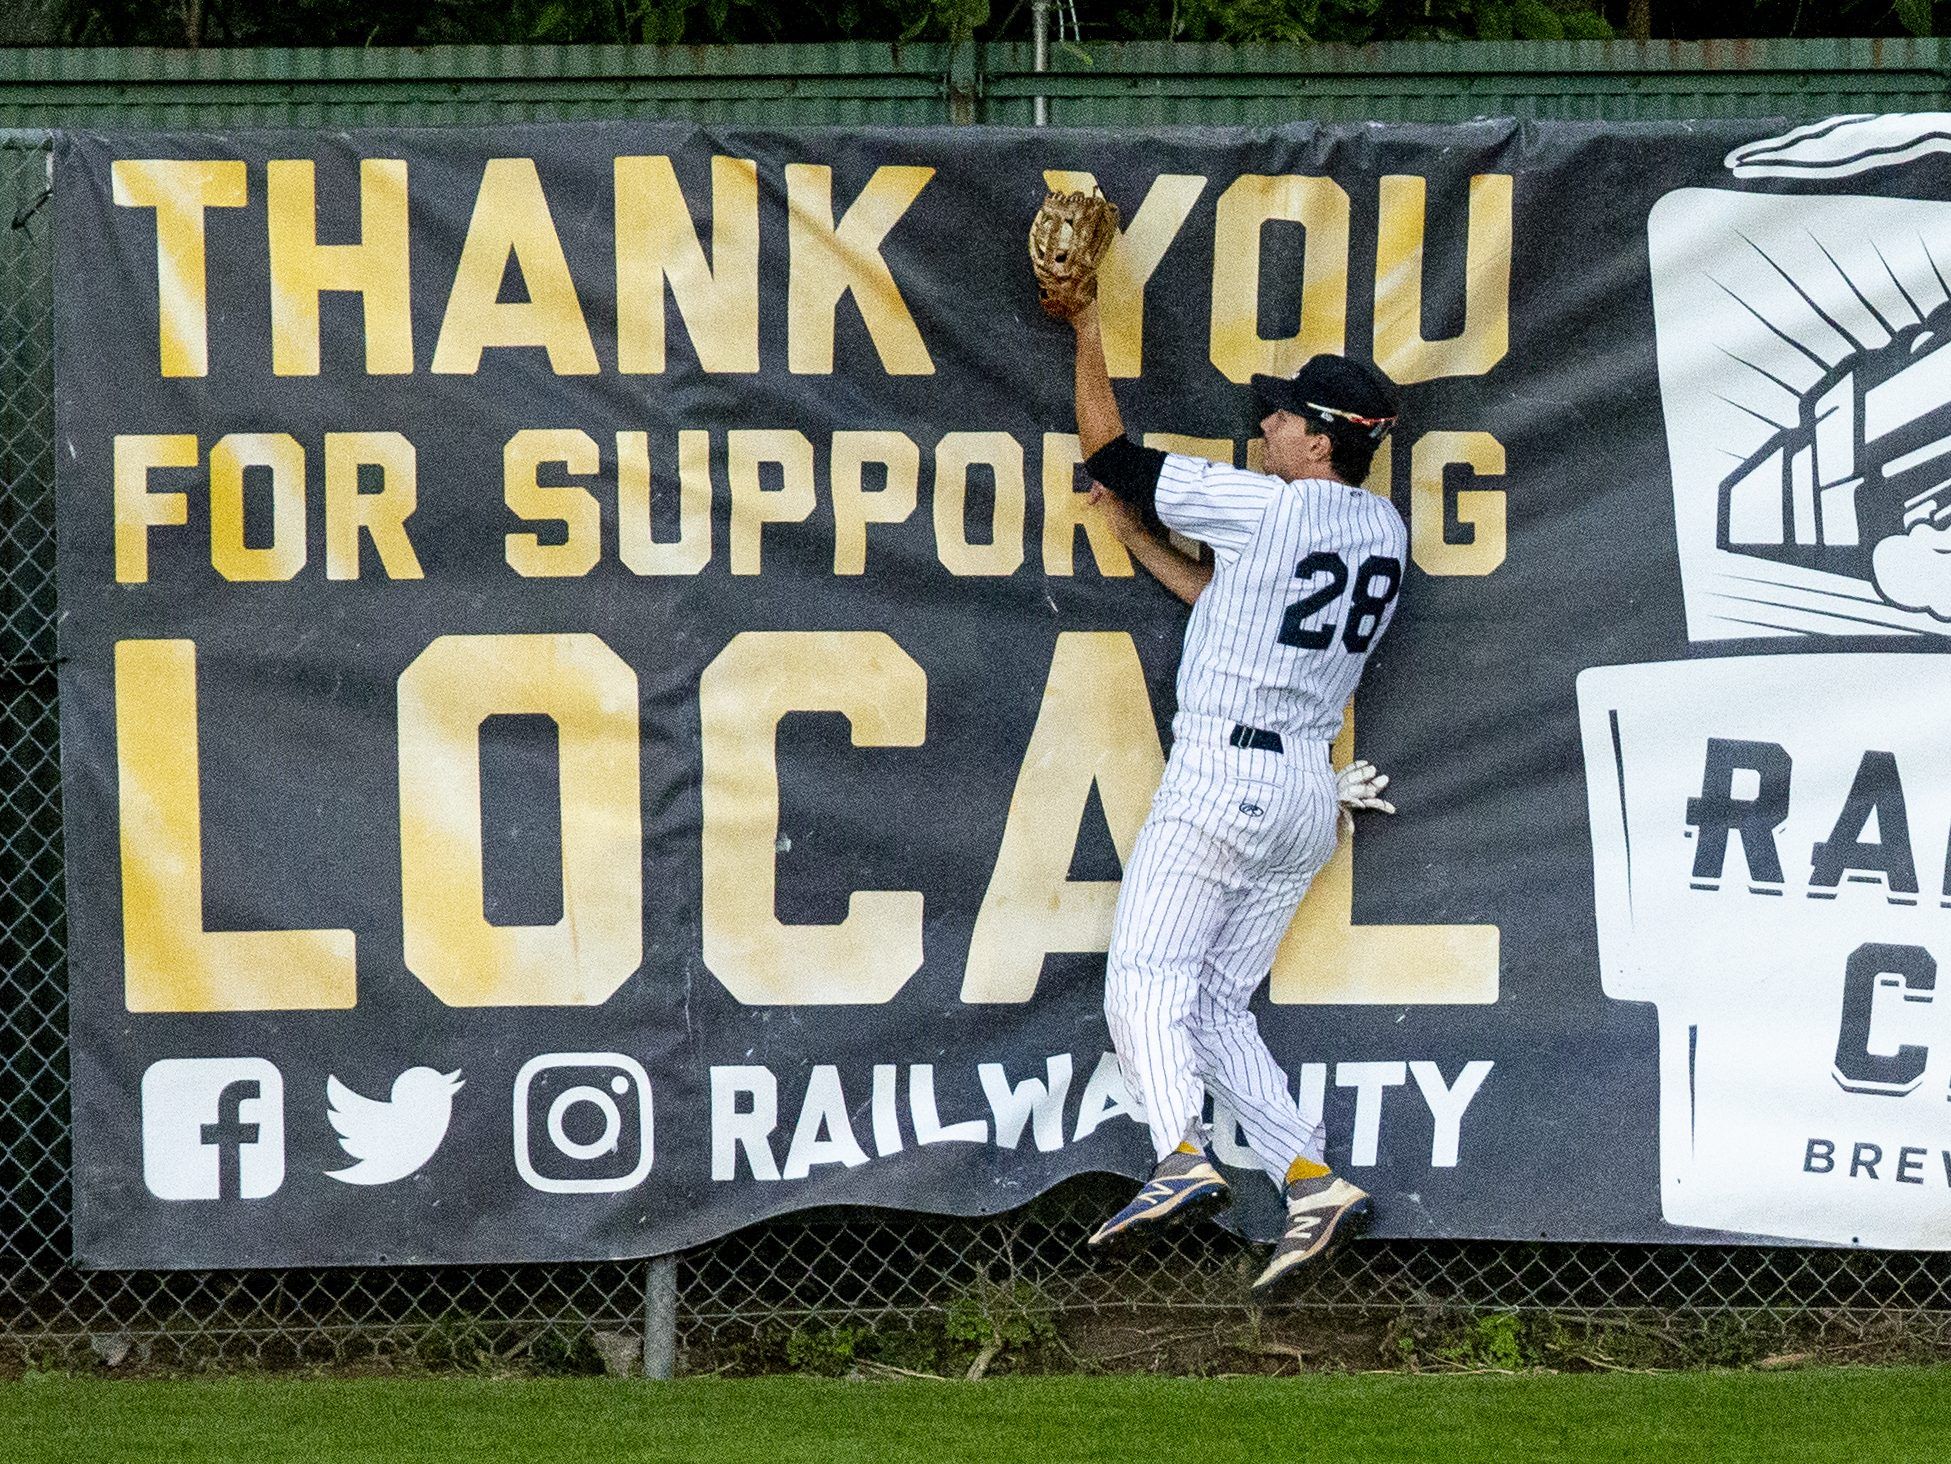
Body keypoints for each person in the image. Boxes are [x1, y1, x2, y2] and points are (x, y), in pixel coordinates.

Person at [1060, 297, 1407, 1297]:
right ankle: (1308, 1175)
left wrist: (1085, 329)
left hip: (1223, 776)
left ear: (1322, 442)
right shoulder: (1380, 531)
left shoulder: (1272, 506)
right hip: (1306, 788)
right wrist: (1141, 547)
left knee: (1144, 982)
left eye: (1281, 419)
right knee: (1215, 1005)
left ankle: (1177, 1156)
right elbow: (1237, 609)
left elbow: (1113, 455)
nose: (1264, 428)